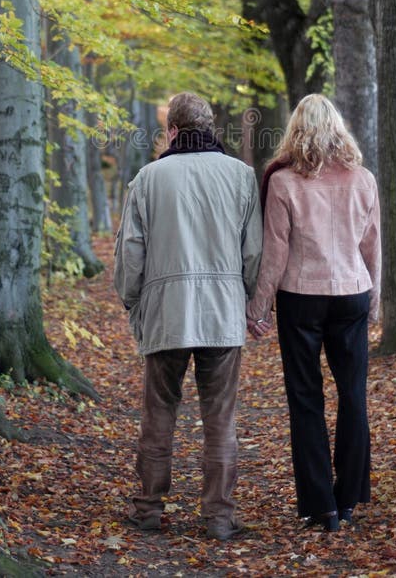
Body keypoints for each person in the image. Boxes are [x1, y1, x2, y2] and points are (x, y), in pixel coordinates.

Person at [114, 92, 262, 541]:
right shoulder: (241, 176)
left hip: (166, 313)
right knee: (220, 417)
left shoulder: (148, 178)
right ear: (211, 129)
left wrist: (132, 302)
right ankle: (218, 516)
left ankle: (149, 511)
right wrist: (249, 301)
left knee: (159, 410)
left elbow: (130, 252)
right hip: (222, 312)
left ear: (173, 131)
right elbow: (253, 252)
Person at [246, 94, 381, 532]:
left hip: (302, 296)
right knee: (353, 394)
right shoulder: (362, 179)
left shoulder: (284, 182)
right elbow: (371, 245)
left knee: (306, 398)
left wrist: (259, 305)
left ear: (295, 130)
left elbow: (276, 252)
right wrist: (375, 296)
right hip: (351, 293)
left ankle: (320, 504)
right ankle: (348, 500)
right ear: (338, 128)